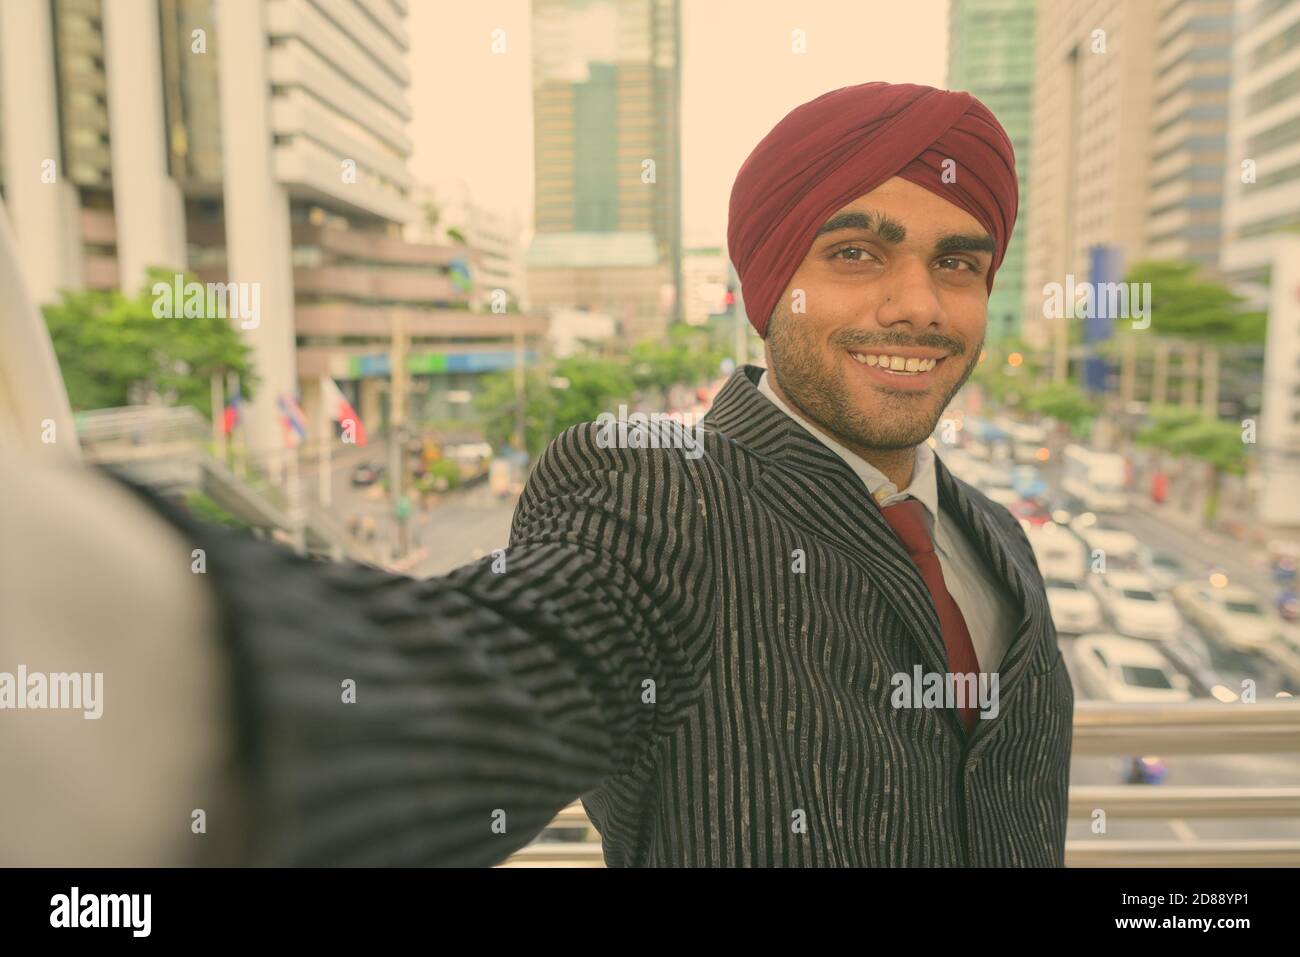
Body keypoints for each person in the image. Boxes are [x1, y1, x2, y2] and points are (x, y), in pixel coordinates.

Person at [3, 81, 1070, 867]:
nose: (918, 306)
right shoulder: (662, 491)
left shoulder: (996, 542)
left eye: (958, 263)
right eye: (854, 254)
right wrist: (120, 649)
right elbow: (494, 675)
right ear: (767, 284)